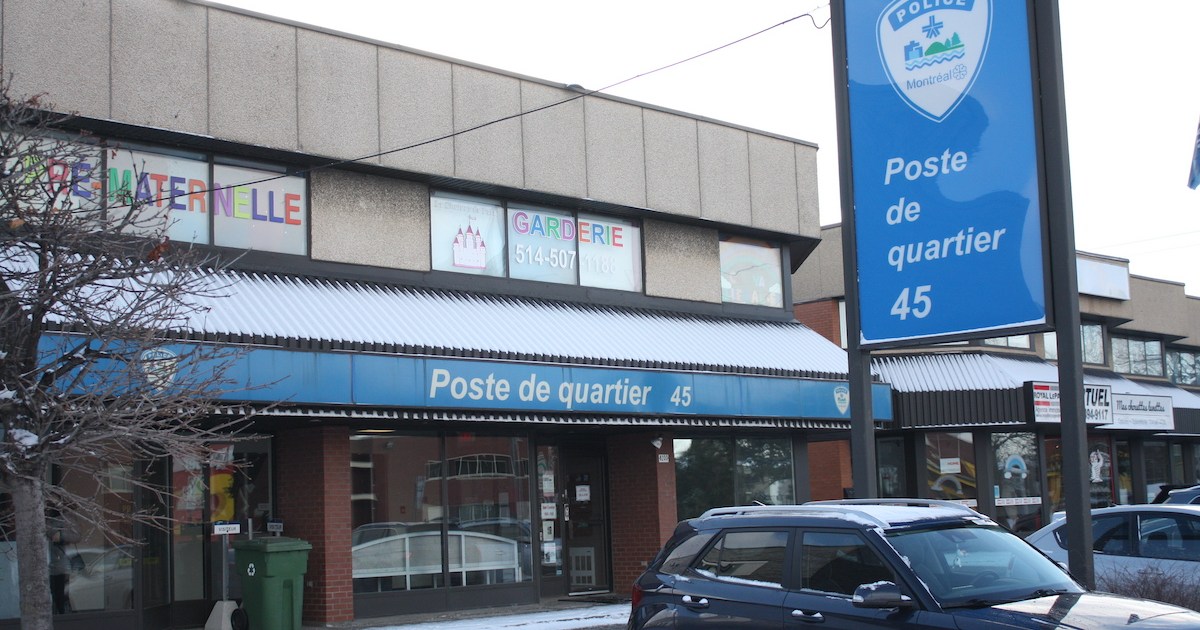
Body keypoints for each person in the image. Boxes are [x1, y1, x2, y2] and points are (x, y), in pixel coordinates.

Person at [48, 514, 78, 614]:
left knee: (61, 596)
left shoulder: (65, 518)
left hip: (60, 567)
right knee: (55, 596)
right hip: (50, 566)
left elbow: (76, 536)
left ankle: (63, 615)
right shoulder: (45, 518)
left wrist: (61, 536)